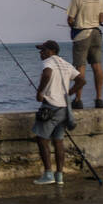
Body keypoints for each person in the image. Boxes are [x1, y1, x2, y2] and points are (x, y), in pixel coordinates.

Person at [31, 39, 84, 185]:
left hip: (50, 107)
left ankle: (48, 174)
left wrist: (40, 92)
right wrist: (68, 94)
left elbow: (47, 74)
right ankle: (59, 175)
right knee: (58, 141)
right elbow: (81, 80)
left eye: (43, 50)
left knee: (42, 139)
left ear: (51, 51)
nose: (41, 53)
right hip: (64, 108)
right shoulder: (65, 63)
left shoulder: (48, 62)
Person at [66, 0, 103, 108]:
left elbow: (70, 19)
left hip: (82, 35)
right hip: (96, 33)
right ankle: (99, 99)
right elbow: (101, 19)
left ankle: (78, 100)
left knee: (80, 67)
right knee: (97, 65)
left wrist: (74, 22)